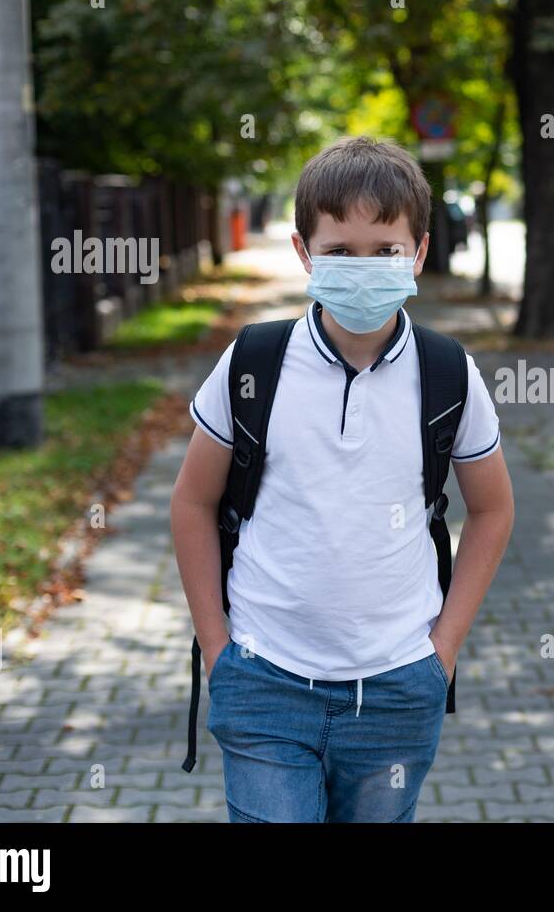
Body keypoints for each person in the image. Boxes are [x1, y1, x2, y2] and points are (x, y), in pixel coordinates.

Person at [170, 136, 514, 822]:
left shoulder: (447, 373)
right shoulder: (253, 364)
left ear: (417, 253)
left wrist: (439, 654)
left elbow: (494, 509)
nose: (364, 268)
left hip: (395, 693)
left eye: (385, 251)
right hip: (265, 683)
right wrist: (219, 654)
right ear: (304, 253)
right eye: (339, 251)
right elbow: (191, 503)